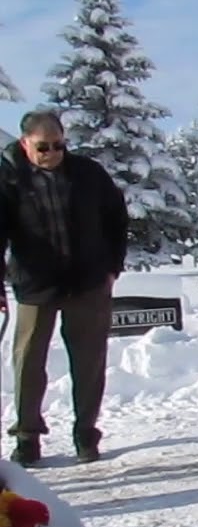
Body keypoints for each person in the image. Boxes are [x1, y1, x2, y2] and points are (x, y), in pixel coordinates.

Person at [0, 109, 127, 465]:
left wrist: (112, 266)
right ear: (25, 144)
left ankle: (86, 432)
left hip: (88, 282)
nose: (53, 153)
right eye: (44, 147)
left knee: (89, 362)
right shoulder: (7, 177)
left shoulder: (87, 173)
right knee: (28, 360)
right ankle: (27, 436)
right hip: (35, 284)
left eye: (59, 145)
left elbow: (116, 217)